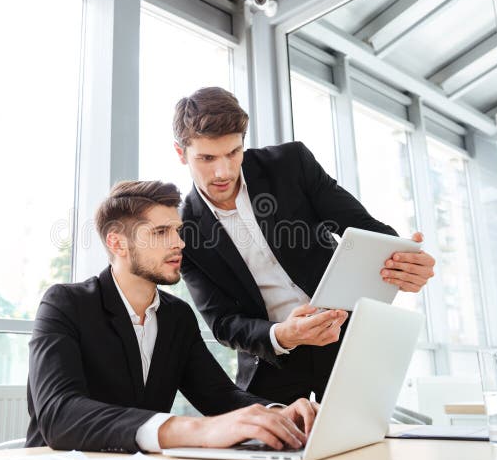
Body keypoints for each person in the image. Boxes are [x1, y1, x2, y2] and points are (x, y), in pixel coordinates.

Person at [175, 87, 436, 404]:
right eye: (207, 158)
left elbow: (363, 228)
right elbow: (223, 322)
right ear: (181, 153)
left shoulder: (290, 164)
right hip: (272, 358)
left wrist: (401, 260)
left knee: (360, 443)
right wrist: (283, 334)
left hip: (345, 336)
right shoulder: (182, 230)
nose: (224, 171)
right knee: (266, 449)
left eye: (233, 153)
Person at [26, 180, 318, 453]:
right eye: (161, 232)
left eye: (177, 231)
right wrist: (193, 429)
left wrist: (277, 414)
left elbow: (219, 395)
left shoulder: (177, 316)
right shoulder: (65, 304)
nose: (179, 243)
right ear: (117, 244)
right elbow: (59, 414)